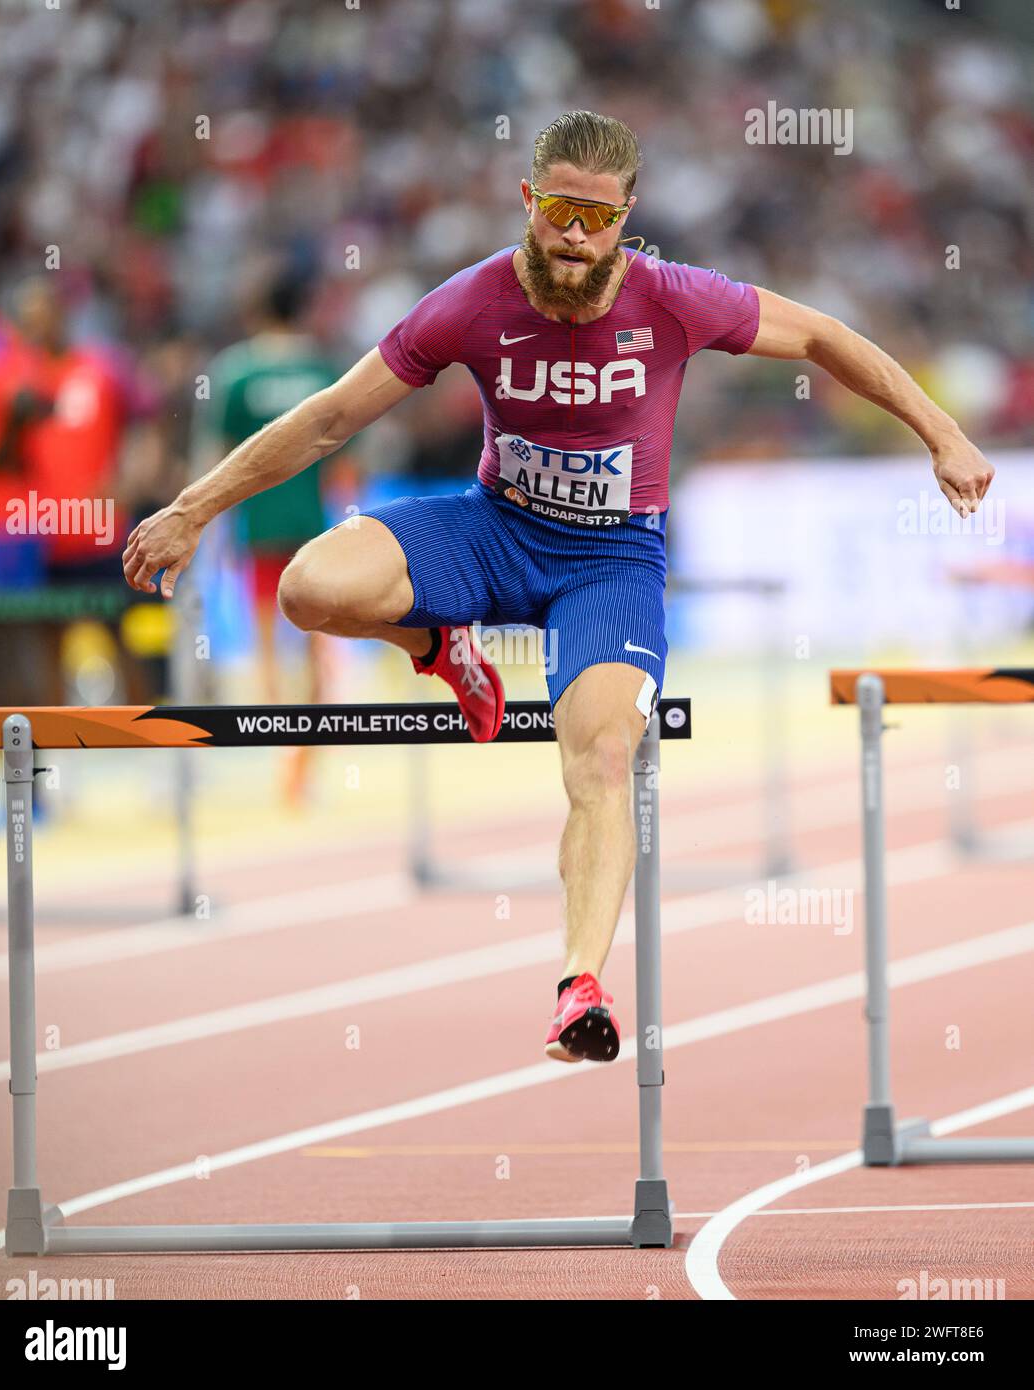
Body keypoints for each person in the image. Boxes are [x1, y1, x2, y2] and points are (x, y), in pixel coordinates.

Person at [123, 110, 994, 1064]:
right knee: (307, 588)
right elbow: (333, 418)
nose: (573, 236)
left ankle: (578, 982)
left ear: (626, 215)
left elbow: (824, 337)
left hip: (609, 564)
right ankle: (434, 644)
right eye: (556, 211)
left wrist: (940, 432)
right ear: (527, 200)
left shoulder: (675, 299)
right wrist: (194, 508)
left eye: (595, 216)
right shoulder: (472, 300)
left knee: (600, 761)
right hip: (491, 531)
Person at [198, 267, 343, 802]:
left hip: (256, 526)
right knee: (314, 648)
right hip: (312, 529)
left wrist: (205, 526)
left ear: (259, 309)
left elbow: (214, 459)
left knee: (264, 651)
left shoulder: (236, 372)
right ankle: (309, 760)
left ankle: (282, 753)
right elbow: (346, 456)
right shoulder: (322, 367)